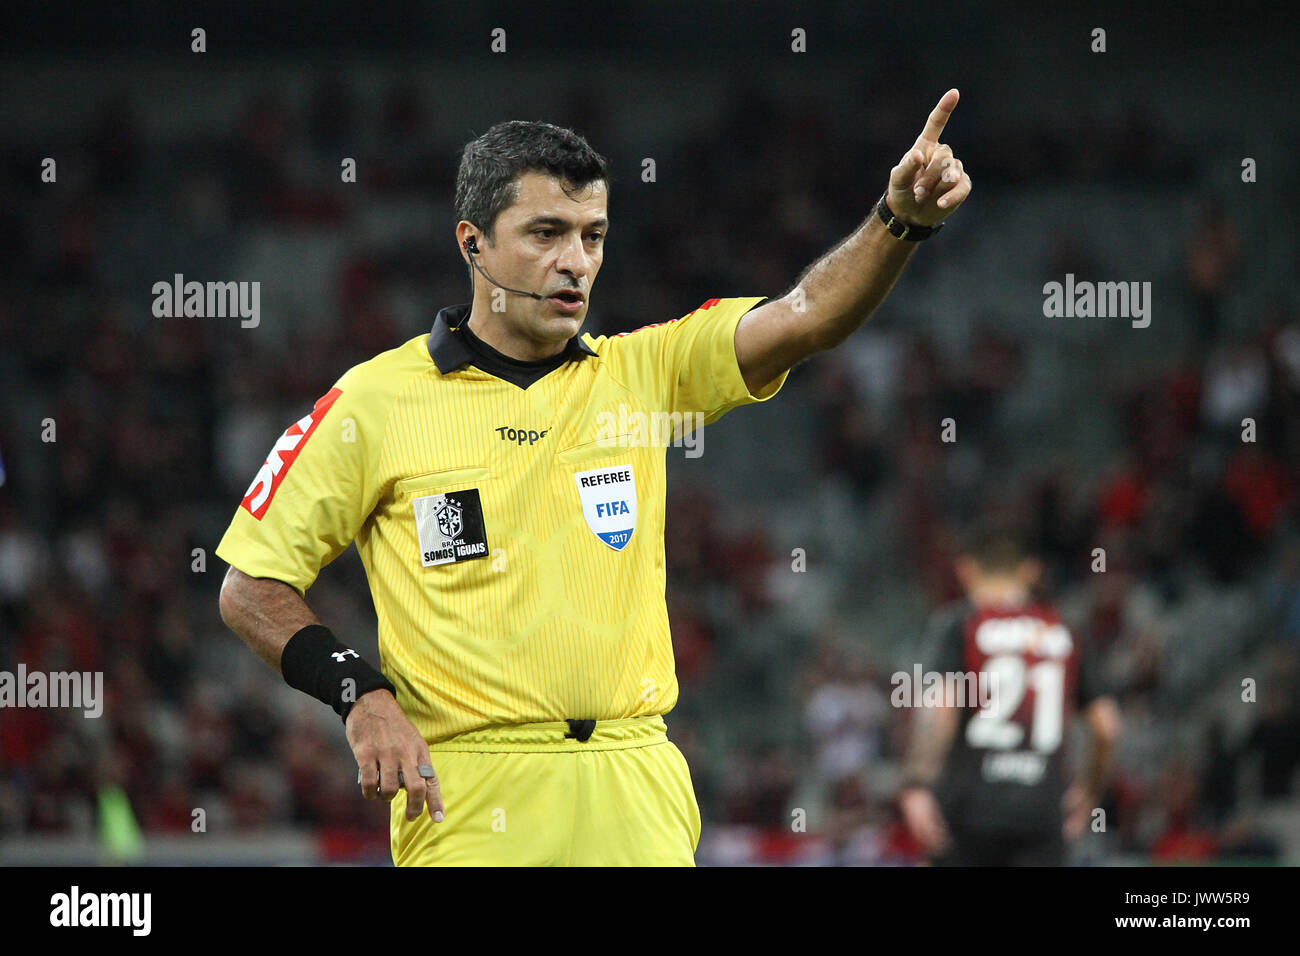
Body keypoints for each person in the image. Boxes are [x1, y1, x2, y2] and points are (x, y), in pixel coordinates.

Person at [217, 92, 973, 866]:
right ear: (473, 244)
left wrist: (899, 219)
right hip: (472, 795)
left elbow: (809, 312)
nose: (574, 261)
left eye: (592, 236)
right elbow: (251, 585)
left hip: (635, 785)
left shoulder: (643, 372)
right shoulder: (374, 402)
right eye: (545, 233)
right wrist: (360, 694)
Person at [898, 525, 1122, 865]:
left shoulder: (960, 624)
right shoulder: (1066, 631)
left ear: (966, 569)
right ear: (1030, 571)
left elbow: (940, 704)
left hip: (967, 808)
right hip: (1042, 811)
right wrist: (1091, 791)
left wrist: (918, 782)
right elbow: (1107, 726)